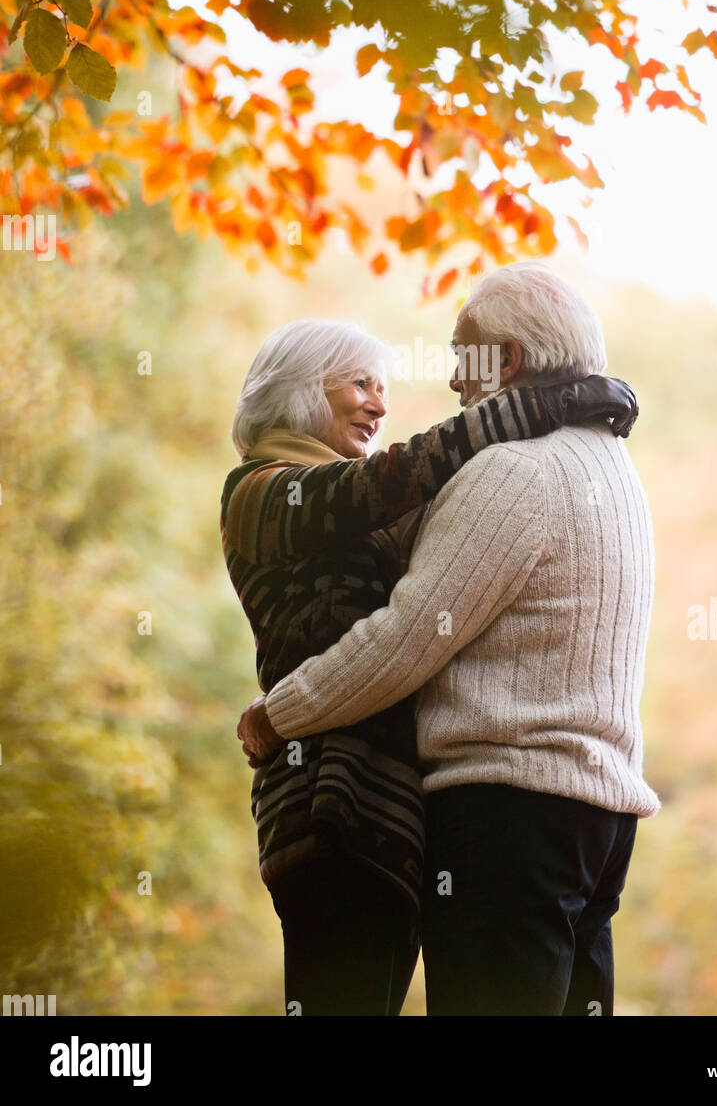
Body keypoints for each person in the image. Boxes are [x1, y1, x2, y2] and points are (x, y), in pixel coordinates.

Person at [238, 263, 660, 1016]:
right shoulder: (613, 470)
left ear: (513, 362)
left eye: (464, 353)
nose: (455, 378)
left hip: (509, 812)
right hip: (593, 815)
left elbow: (406, 635)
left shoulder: (513, 471)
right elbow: (391, 493)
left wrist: (280, 711)